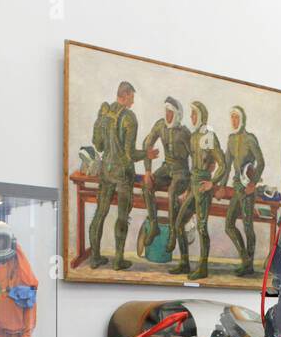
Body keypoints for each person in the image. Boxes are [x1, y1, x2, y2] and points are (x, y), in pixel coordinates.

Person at [88, 81, 147, 271]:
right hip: (123, 174)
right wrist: (148, 154)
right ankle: (118, 260)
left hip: (106, 170)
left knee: (100, 213)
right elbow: (130, 155)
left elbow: (98, 145)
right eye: (132, 97)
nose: (133, 101)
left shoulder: (104, 113)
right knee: (122, 216)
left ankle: (95, 258)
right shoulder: (129, 118)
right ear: (127, 94)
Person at [171, 101, 226, 280]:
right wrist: (187, 189)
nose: (192, 117)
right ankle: (185, 263)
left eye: (195, 114)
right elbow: (193, 167)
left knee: (201, 228)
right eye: (191, 114)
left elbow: (222, 164)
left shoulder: (208, 135)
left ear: (202, 115)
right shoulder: (194, 136)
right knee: (179, 224)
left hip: (203, 188)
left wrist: (212, 183)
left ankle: (202, 267)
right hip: (193, 187)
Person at [137, 97, 191, 258]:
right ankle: (154, 225)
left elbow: (197, 159)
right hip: (166, 168)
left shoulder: (185, 133)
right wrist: (147, 171)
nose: (167, 115)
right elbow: (147, 144)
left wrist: (189, 187)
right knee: (147, 185)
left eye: (171, 112)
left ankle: (173, 233)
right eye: (166, 112)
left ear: (178, 115)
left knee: (173, 191)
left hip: (181, 172)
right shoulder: (160, 125)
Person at [223, 105, 266, 276]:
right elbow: (226, 166)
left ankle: (248, 266)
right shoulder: (231, 139)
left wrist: (253, 184)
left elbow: (261, 162)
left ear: (242, 119)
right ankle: (246, 260)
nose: (233, 120)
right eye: (231, 117)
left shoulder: (250, 139)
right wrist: (221, 186)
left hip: (247, 188)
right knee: (229, 225)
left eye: (236, 117)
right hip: (236, 187)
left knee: (248, 225)